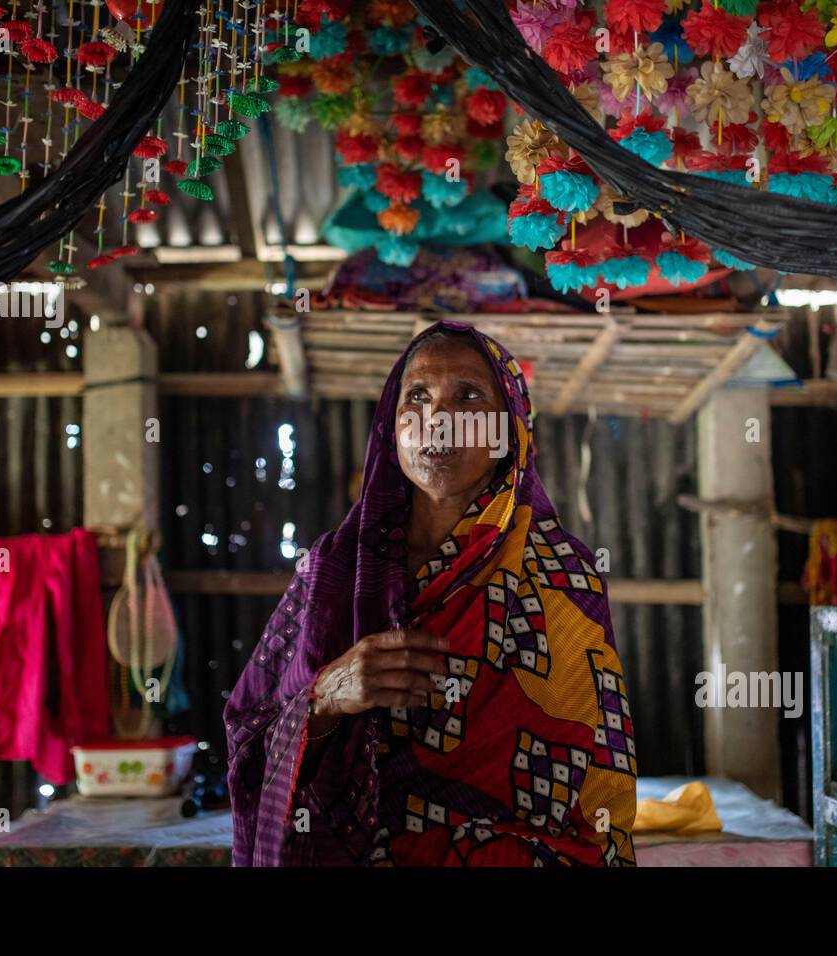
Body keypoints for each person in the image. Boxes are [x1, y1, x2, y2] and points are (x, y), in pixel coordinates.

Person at [223, 320, 637, 866]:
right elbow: (251, 740)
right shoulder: (333, 570)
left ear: (509, 429)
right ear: (391, 424)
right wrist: (327, 697)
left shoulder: (565, 573)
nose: (437, 419)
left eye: (468, 396)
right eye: (417, 396)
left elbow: (600, 776)